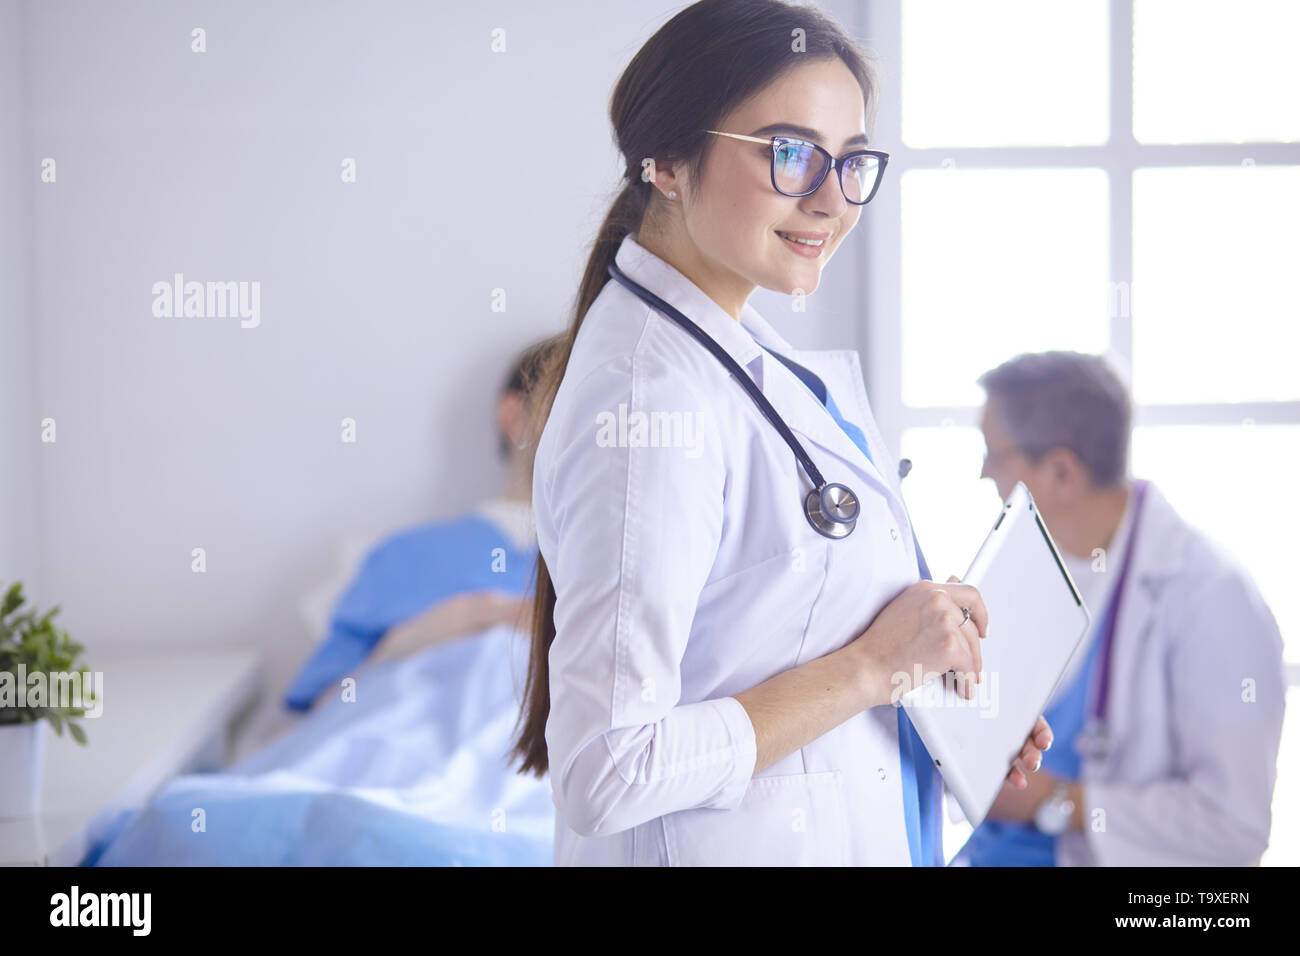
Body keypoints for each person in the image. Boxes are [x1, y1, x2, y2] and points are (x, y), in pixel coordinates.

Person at [510, 0, 1051, 866]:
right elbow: (606, 768)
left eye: (852, 162)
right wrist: (874, 667)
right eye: (792, 155)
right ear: (671, 161)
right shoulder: (649, 404)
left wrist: (928, 666)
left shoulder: (737, 351)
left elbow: (768, 628)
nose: (832, 201)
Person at [958, 351, 1286, 866]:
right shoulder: (1041, 565)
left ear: (1062, 472)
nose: (982, 474)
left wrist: (1049, 800)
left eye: (994, 453)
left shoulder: (1210, 596)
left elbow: (1233, 826)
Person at [282, 338, 558, 712]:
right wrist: (424, 636)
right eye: (564, 401)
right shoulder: (402, 558)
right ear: (513, 415)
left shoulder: (615, 570)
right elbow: (315, 719)